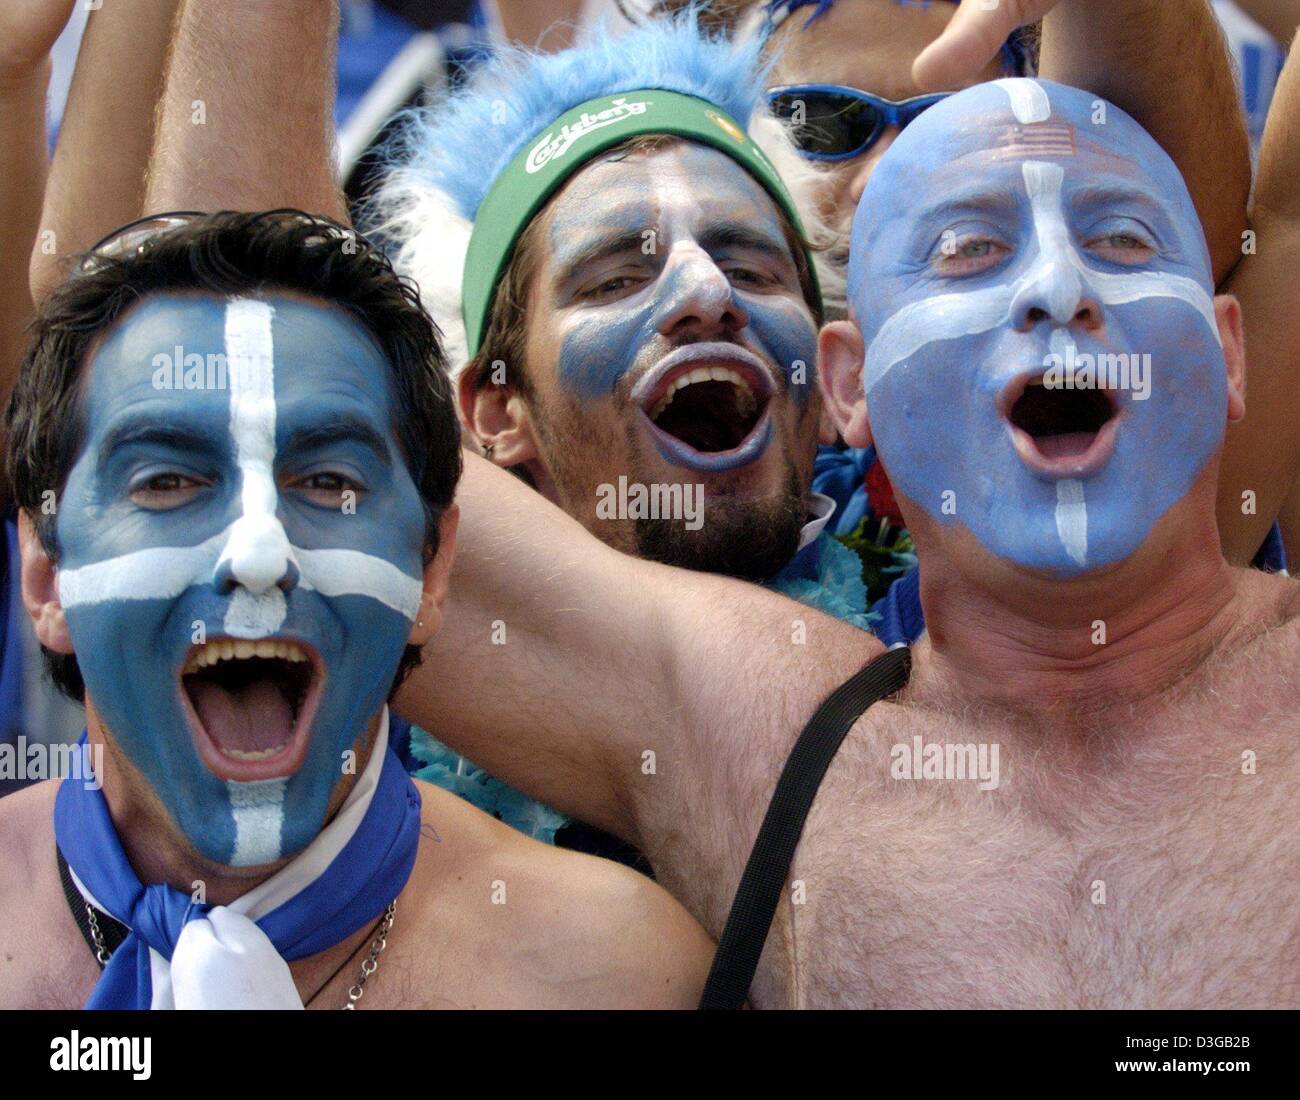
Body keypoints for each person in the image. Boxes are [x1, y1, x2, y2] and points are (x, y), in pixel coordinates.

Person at [395, 75, 1300, 1007]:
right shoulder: (750, 731)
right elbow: (295, 383)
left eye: (1121, 239)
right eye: (966, 249)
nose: (1059, 286)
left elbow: (1291, 218)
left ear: (1232, 354)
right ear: (849, 387)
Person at [0, 210, 711, 1009]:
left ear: (430, 567)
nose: (259, 553)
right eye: (167, 481)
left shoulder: (615, 973)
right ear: (46, 572)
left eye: (328, 483)